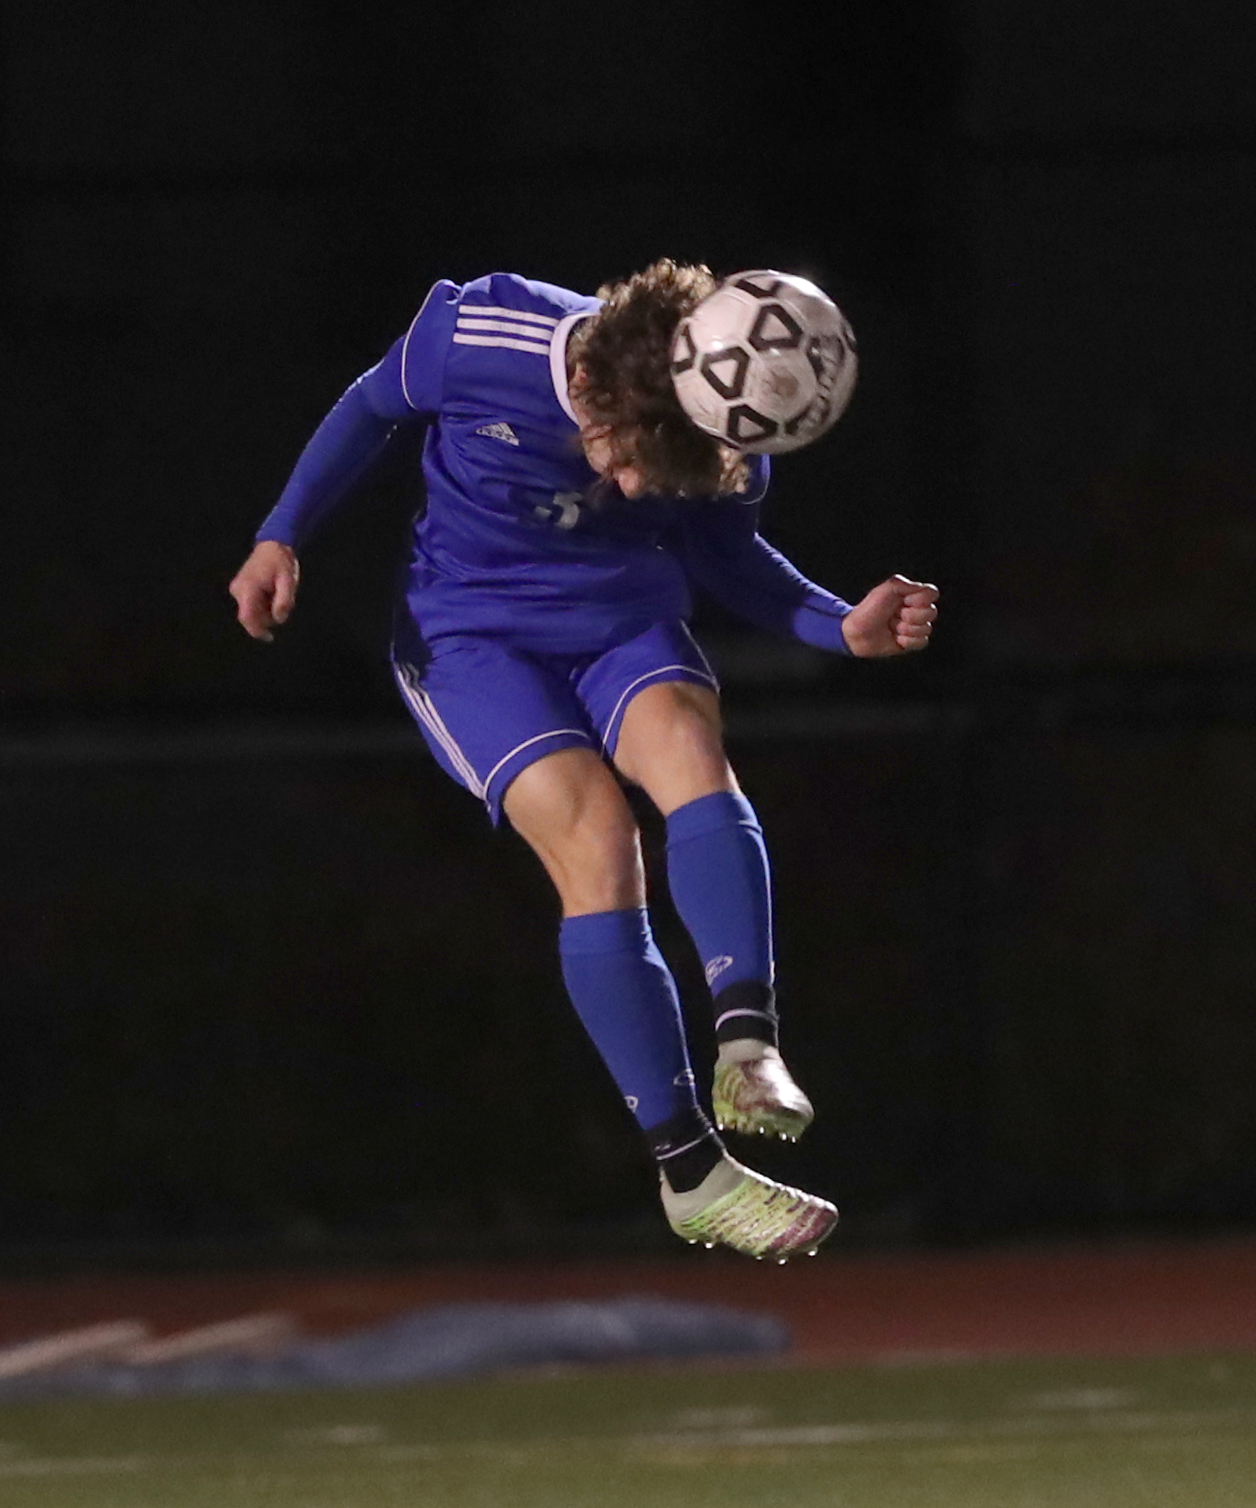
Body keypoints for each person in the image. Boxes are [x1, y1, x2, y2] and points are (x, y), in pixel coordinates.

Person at [229, 259, 938, 1261]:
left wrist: (840, 627)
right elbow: (369, 405)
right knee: (600, 840)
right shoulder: (482, 335)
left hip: (621, 623)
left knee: (690, 755)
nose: (636, 484)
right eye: (630, 453)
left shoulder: (722, 413)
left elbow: (727, 559)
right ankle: (691, 1171)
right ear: (602, 385)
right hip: (472, 638)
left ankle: (747, 1043)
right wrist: (280, 533)